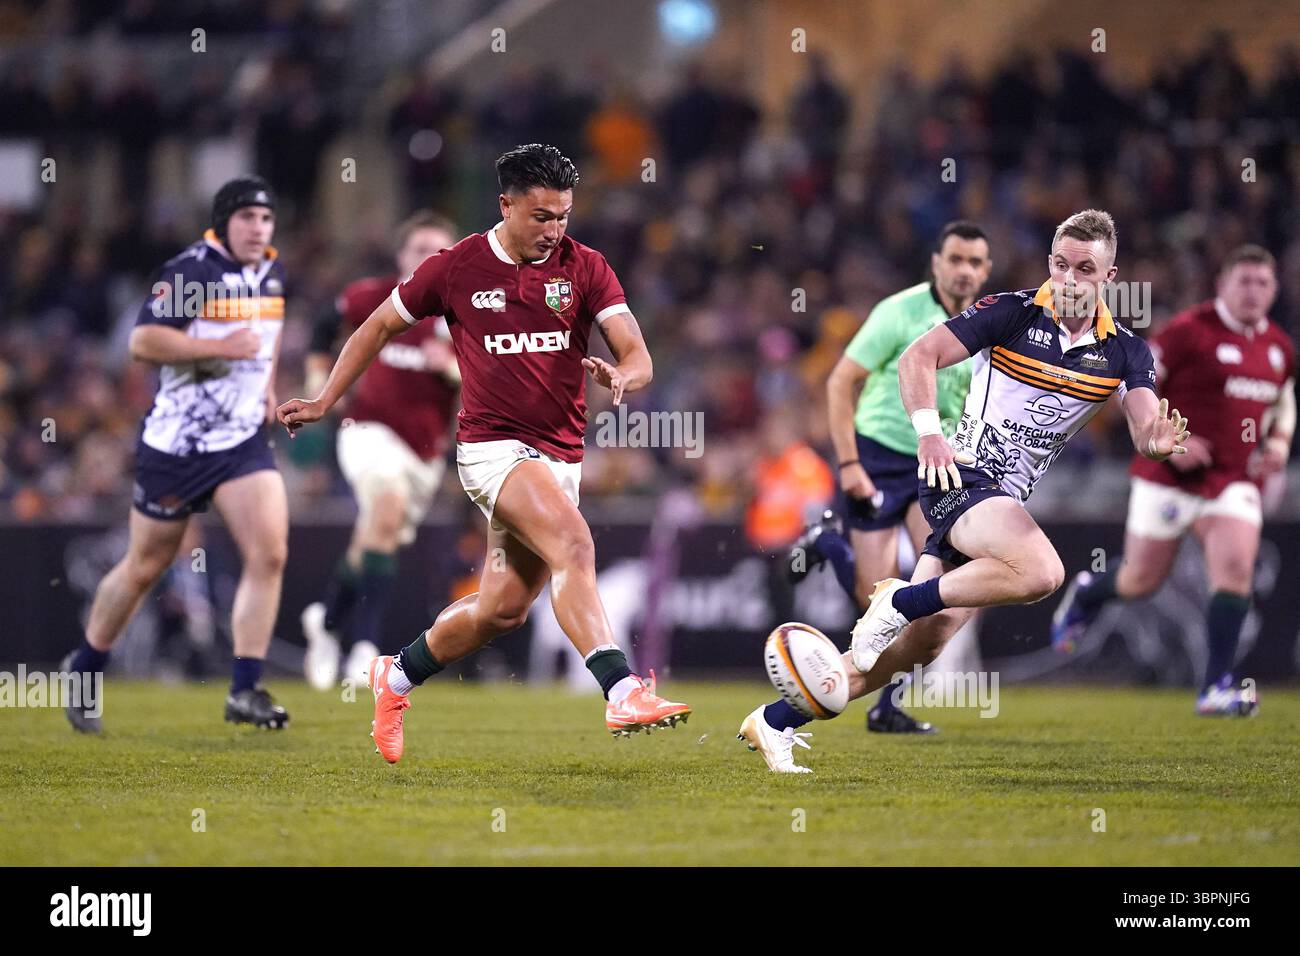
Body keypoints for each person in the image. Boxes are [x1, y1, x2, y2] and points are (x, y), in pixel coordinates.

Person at [277, 144, 692, 763]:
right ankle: (622, 688)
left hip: (560, 454)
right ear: (505, 205)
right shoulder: (456, 267)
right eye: (541, 216)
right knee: (575, 547)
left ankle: (394, 678)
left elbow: (637, 351)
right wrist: (325, 399)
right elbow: (376, 327)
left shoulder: (587, 267)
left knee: (501, 612)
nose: (555, 230)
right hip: (492, 448)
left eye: (564, 215)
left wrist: (629, 374)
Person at [739, 209, 1188, 772]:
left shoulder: (1126, 351)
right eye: (1060, 264)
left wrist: (1155, 440)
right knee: (1042, 572)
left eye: (1085, 269)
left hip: (1002, 500)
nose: (1069, 279)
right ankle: (897, 600)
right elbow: (917, 357)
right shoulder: (1010, 312)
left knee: (920, 645)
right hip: (961, 477)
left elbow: (1146, 422)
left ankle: (776, 720)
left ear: (1110, 277)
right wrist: (929, 436)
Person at [61, 176, 291, 732]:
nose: (258, 229)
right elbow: (144, 342)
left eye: (265, 219)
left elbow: (267, 333)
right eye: (246, 219)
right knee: (145, 565)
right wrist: (217, 348)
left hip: (239, 441)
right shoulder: (194, 271)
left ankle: (244, 689)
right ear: (222, 222)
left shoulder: (271, 271)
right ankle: (86, 665)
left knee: (270, 554)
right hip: (179, 444)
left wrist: (264, 386)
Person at [1051, 245, 1293, 716]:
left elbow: (1284, 397)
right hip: (1168, 475)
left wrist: (1280, 441)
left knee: (1236, 570)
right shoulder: (1188, 331)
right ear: (1222, 283)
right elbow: (1133, 384)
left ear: (1275, 289)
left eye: (1263, 283)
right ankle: (1088, 592)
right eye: (1243, 281)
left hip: (1232, 479)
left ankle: (1215, 687)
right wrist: (1163, 437)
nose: (1253, 291)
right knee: (1140, 580)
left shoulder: (1279, 347)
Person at [789, 220, 992, 733]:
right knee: (872, 598)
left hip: (935, 464)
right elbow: (840, 383)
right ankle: (829, 544)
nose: (965, 270)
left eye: (975, 262)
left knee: (930, 593)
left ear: (986, 270)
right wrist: (850, 463)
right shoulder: (898, 312)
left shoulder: (988, 324)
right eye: (956, 259)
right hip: (878, 455)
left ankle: (884, 707)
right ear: (936, 263)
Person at [299, 211, 461, 689]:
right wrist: (317, 382)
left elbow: (494, 378)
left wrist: (451, 369)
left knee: (374, 538)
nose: (428, 258)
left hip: (425, 452)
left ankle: (326, 622)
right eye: (419, 249)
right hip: (366, 430)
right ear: (401, 256)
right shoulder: (378, 296)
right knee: (385, 509)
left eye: (439, 250)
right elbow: (323, 325)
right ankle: (366, 649)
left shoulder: (467, 309)